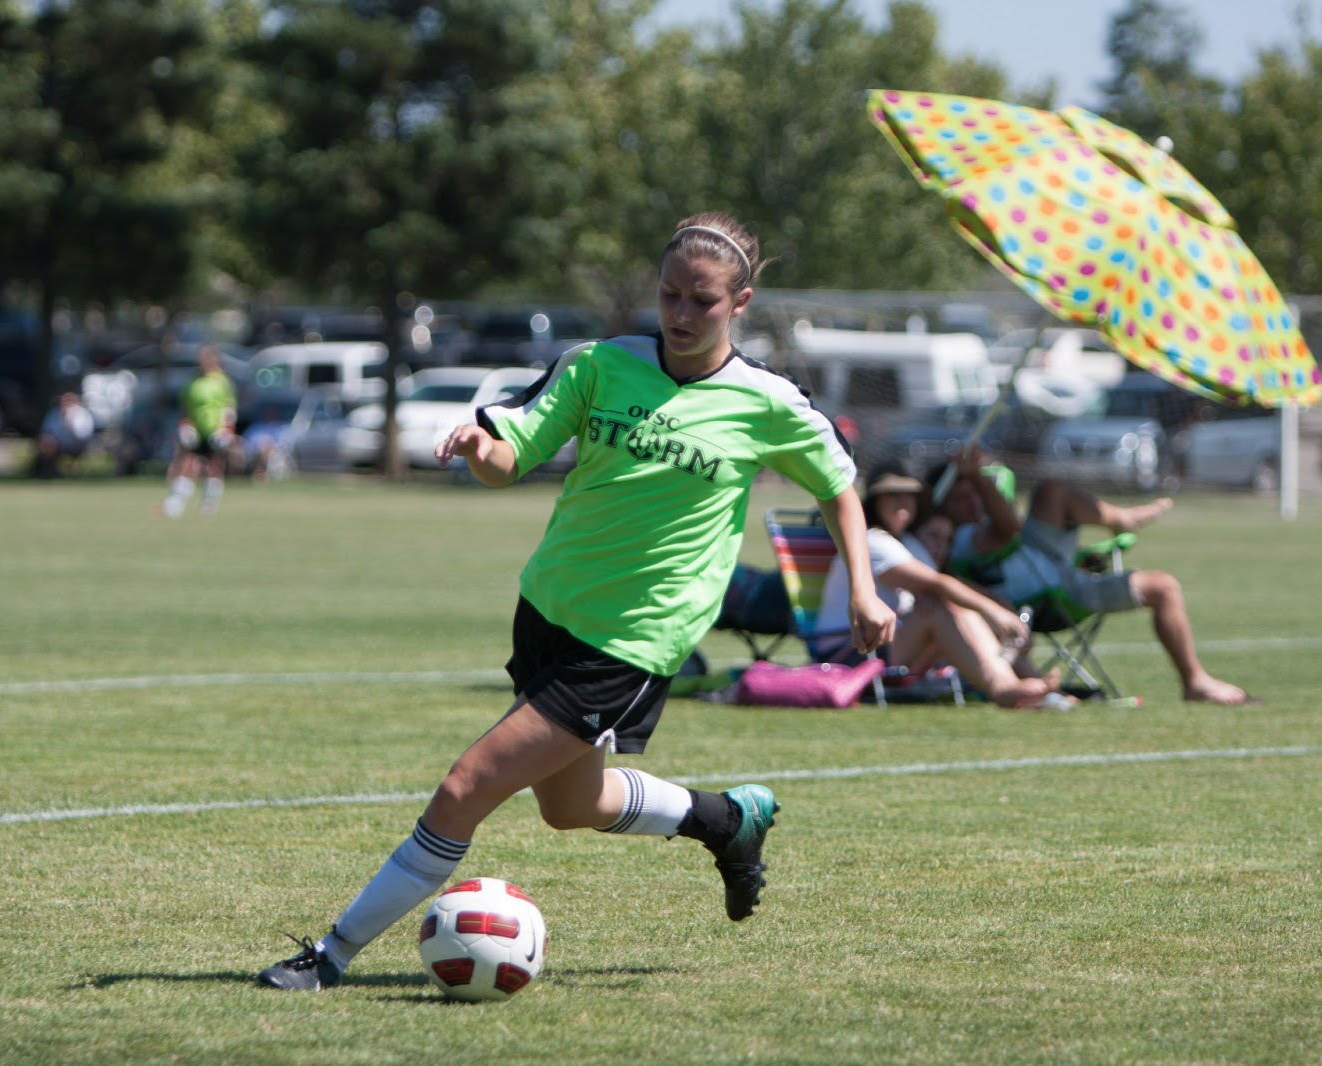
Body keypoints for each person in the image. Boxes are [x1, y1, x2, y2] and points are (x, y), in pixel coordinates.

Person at [257, 211, 898, 992]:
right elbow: (513, 452)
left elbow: (838, 484)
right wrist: (479, 449)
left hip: (633, 637)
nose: (682, 314)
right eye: (669, 295)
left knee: (467, 787)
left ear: (741, 302)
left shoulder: (767, 402)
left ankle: (331, 954)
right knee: (572, 804)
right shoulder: (598, 364)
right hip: (549, 609)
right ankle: (728, 821)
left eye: (702, 300)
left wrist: (863, 588)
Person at [929, 448, 1256, 705]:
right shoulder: (952, 539)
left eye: (972, 493)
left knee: (1052, 490)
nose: (971, 502)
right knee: (1163, 586)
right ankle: (1195, 682)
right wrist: (980, 479)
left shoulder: (971, 529)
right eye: (960, 496)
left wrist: (1084, 558)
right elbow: (1006, 529)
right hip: (1048, 597)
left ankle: (1122, 518)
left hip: (1047, 560)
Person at [813, 469, 1065, 710]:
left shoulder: (906, 542)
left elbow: (945, 584)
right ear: (875, 502)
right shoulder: (872, 541)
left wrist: (998, 608)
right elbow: (938, 583)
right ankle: (1004, 689)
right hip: (848, 650)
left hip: (886, 641)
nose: (903, 502)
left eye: (908, 496)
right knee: (940, 611)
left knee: (954, 609)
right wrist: (995, 612)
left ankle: (1040, 690)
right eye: (892, 495)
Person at [157, 345, 236, 517]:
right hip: (196, 429)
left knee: (214, 465)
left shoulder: (221, 381)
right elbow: (185, 407)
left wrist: (226, 430)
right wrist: (185, 425)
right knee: (187, 462)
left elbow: (229, 407)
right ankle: (176, 502)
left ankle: (209, 503)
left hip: (215, 430)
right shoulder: (192, 382)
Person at [32, 390, 95, 478]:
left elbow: (82, 435)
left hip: (77, 444)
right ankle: (46, 471)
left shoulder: (82, 414)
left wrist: (68, 420)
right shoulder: (54, 413)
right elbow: (46, 431)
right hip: (57, 445)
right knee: (45, 442)